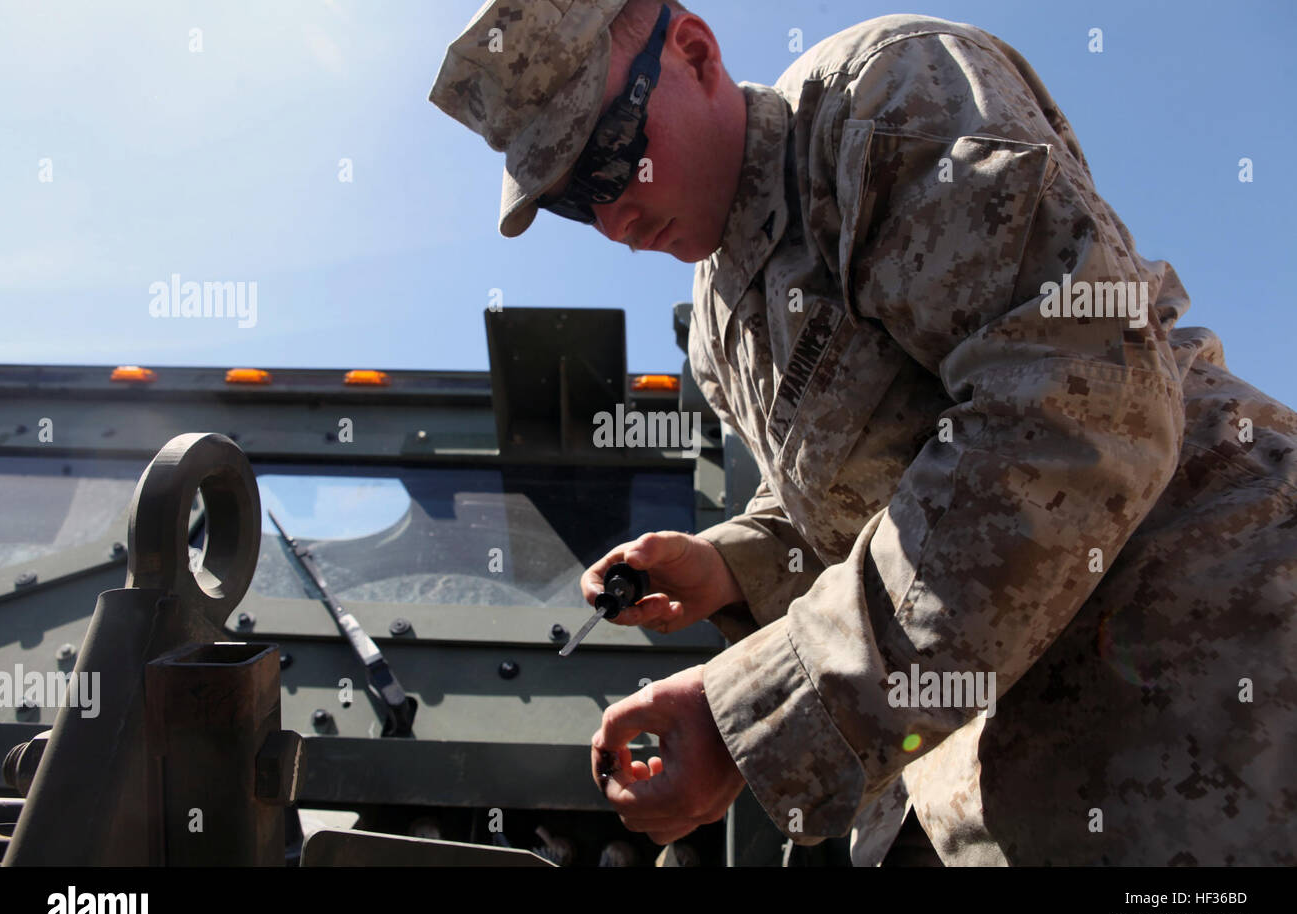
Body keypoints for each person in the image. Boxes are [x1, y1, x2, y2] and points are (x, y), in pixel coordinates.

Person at [431, 0, 1297, 865]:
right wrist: (731, 564)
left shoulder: (884, 98)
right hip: (999, 783)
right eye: (572, 203)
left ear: (693, 51)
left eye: (610, 158)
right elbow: (848, 510)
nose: (614, 220)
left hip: (1207, 700)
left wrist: (755, 718)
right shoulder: (718, 327)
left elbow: (1072, 408)